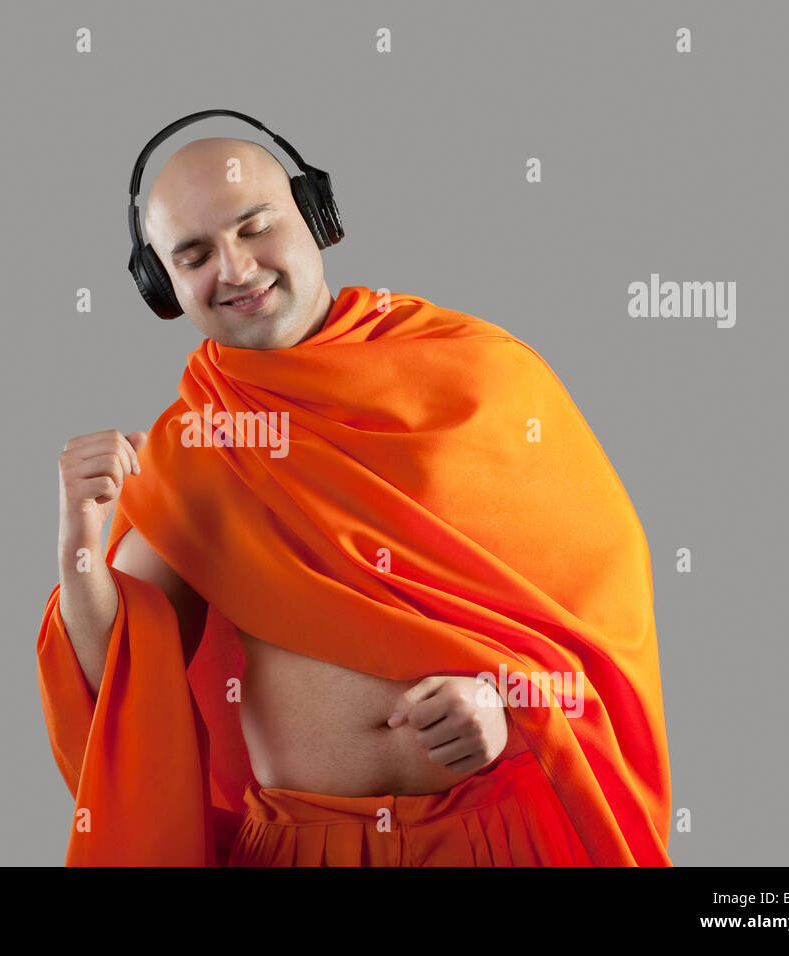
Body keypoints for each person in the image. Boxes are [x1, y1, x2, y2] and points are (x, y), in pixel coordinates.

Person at [37, 126, 673, 866]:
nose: (236, 268)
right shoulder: (196, 444)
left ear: (316, 216)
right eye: (194, 254)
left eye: (256, 225)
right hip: (301, 851)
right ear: (163, 286)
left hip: (497, 840)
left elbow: (600, 640)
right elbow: (126, 671)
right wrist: (80, 549)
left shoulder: (482, 380)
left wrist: (512, 707)